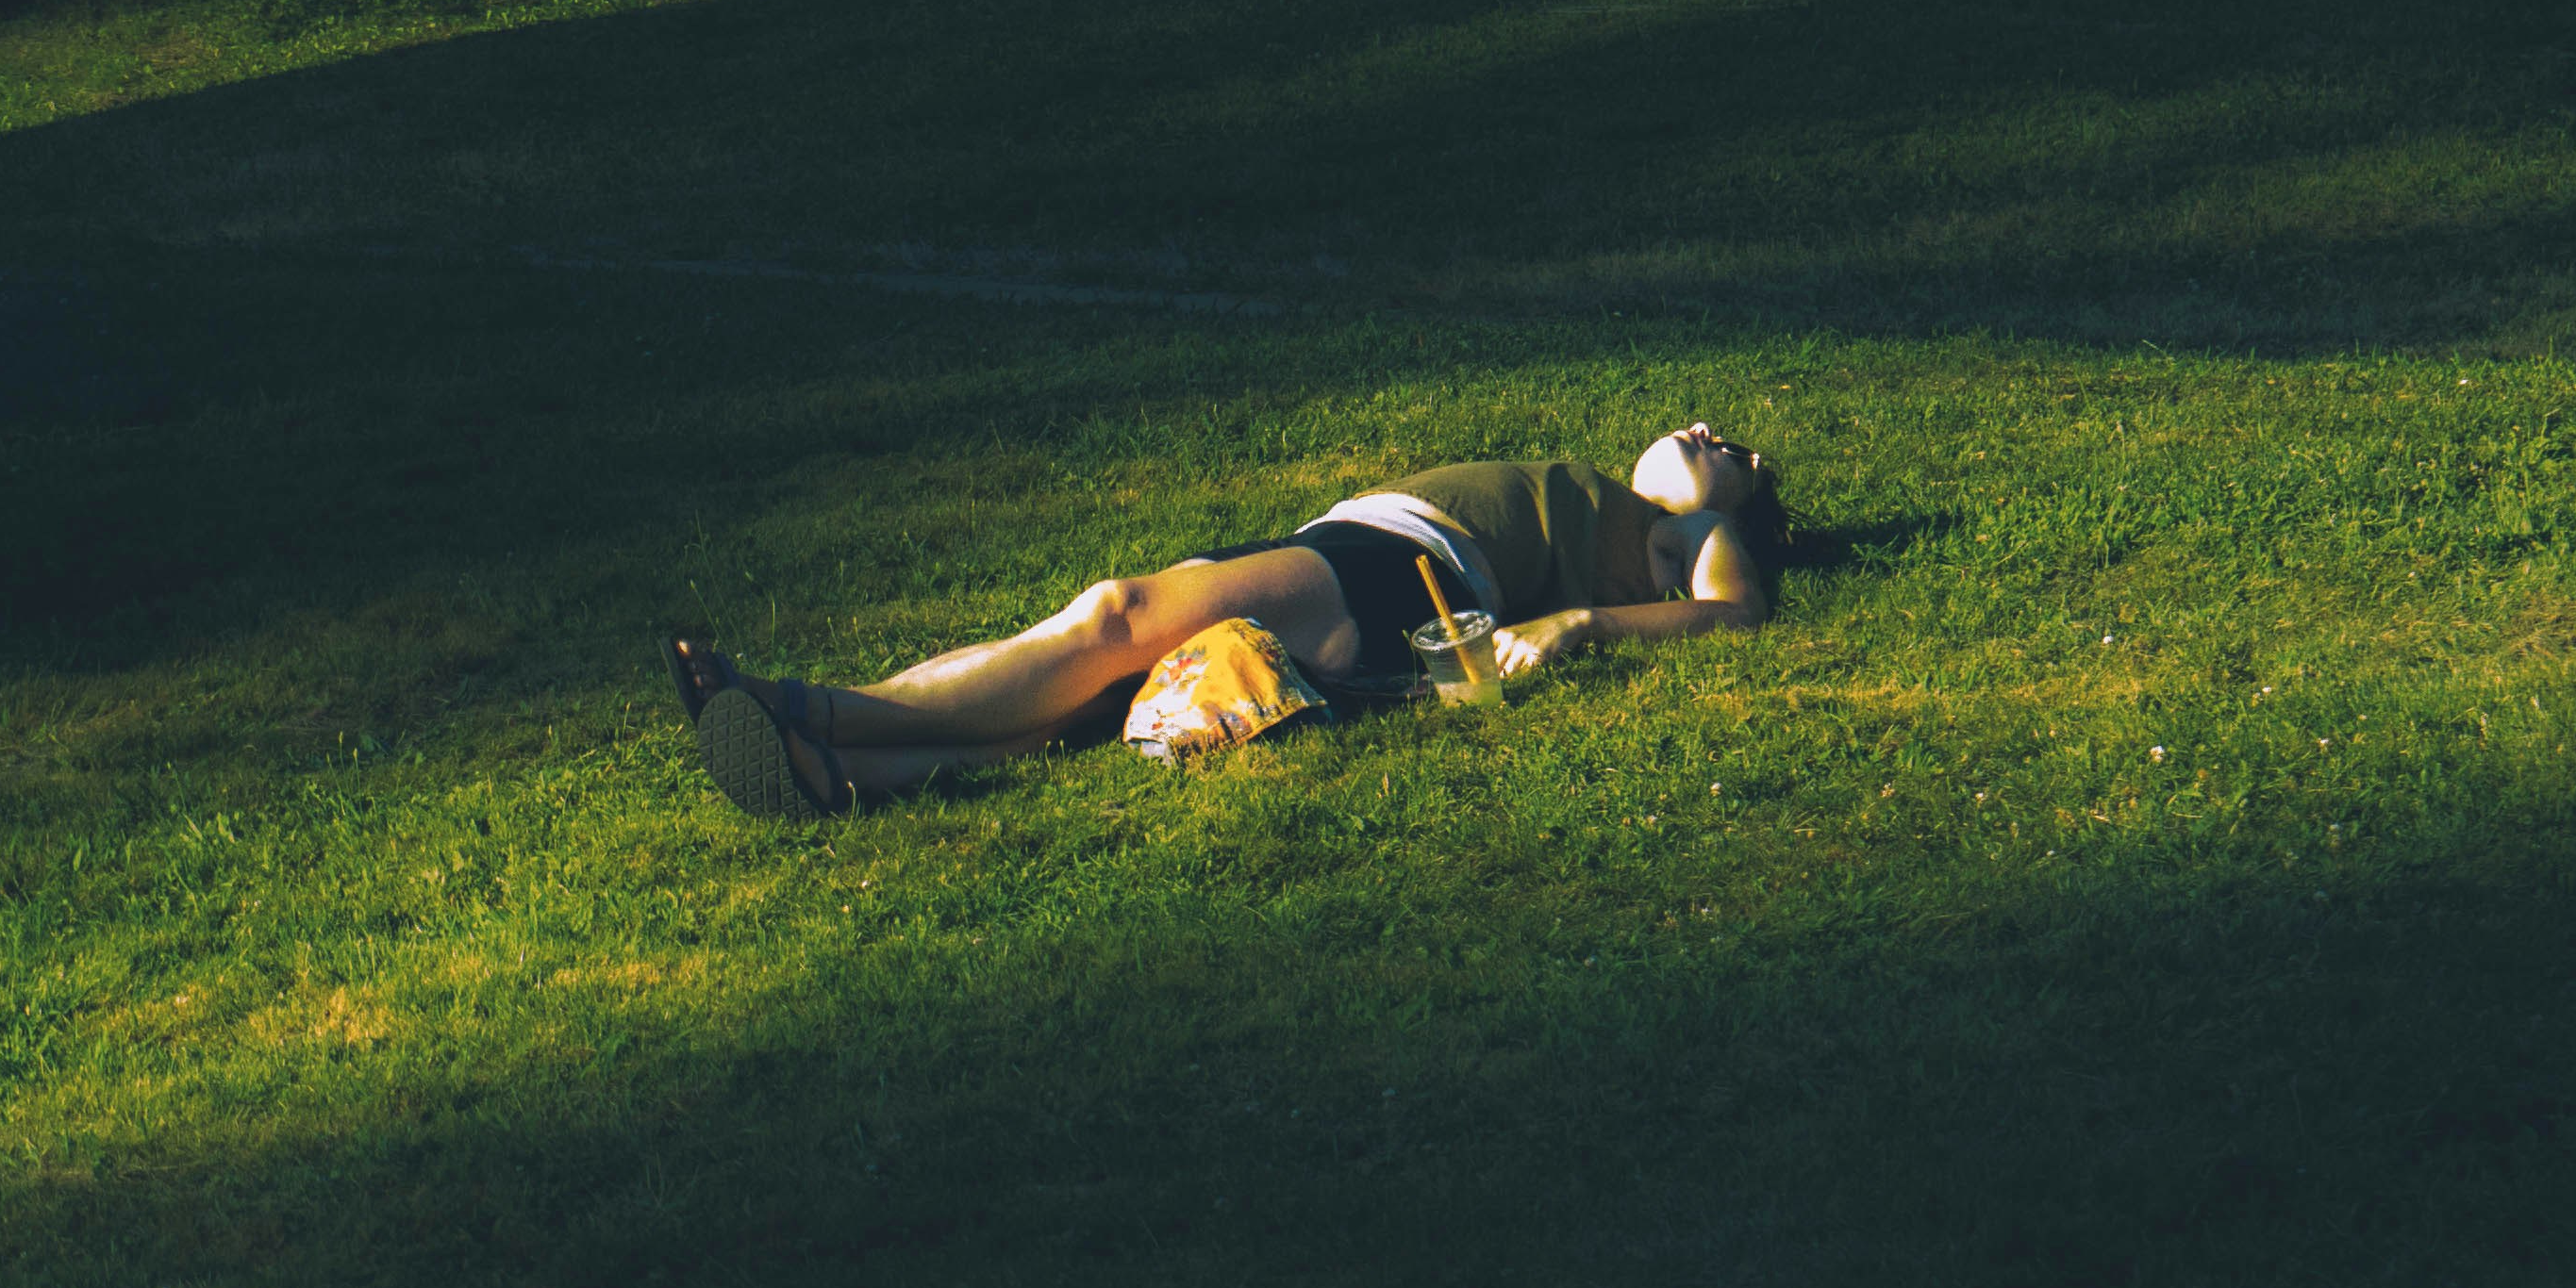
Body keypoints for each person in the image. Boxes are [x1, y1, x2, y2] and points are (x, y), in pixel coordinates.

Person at [669, 425, 1786, 815]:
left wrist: (1586, 622)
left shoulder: (1684, 532)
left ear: (1739, 501)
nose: (1705, 434)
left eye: (1729, 450)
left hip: (1395, 572)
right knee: (1082, 692)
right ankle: (835, 774)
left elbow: (1734, 615)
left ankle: (798, 704)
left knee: (1110, 617)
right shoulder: (1619, 498)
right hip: (1347, 554)